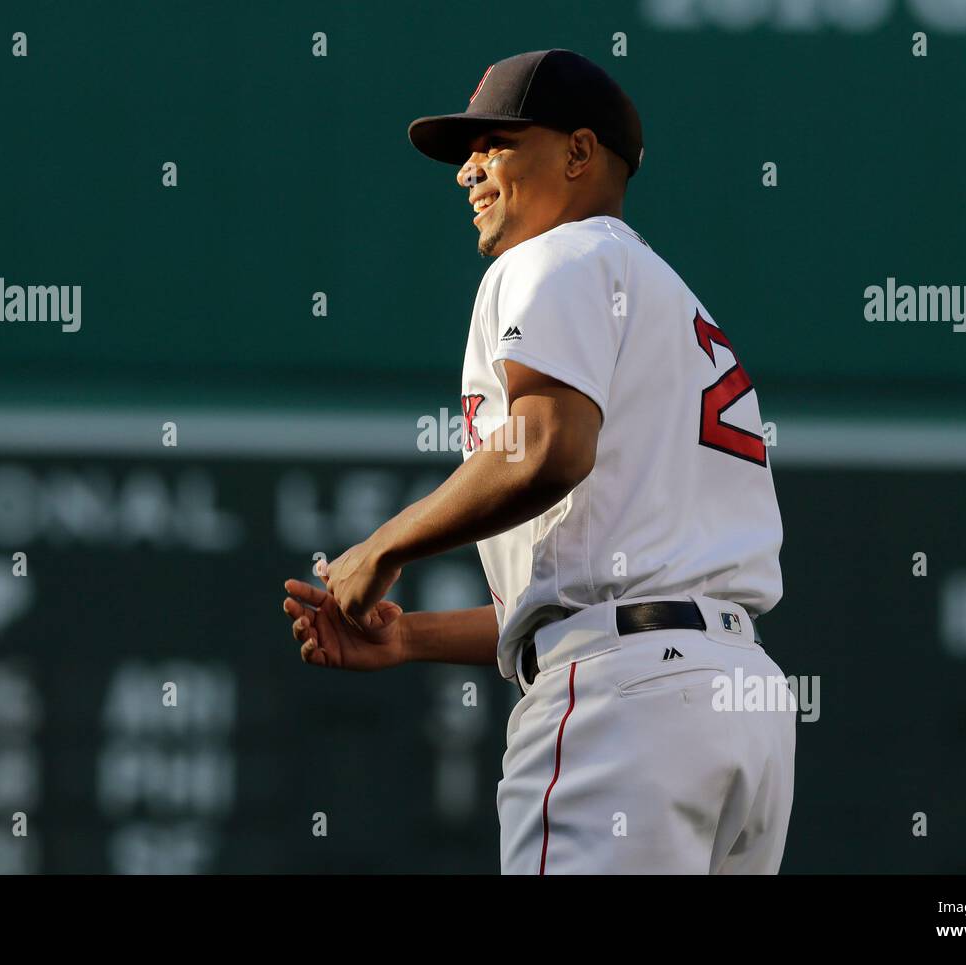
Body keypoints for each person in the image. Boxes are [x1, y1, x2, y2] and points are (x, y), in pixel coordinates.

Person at [282, 49, 795, 874]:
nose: (468, 172)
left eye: (495, 143)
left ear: (579, 153)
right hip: (740, 703)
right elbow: (611, 585)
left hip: (625, 706)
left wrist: (383, 546)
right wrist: (411, 636)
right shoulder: (668, 300)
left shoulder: (554, 257)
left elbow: (549, 451)